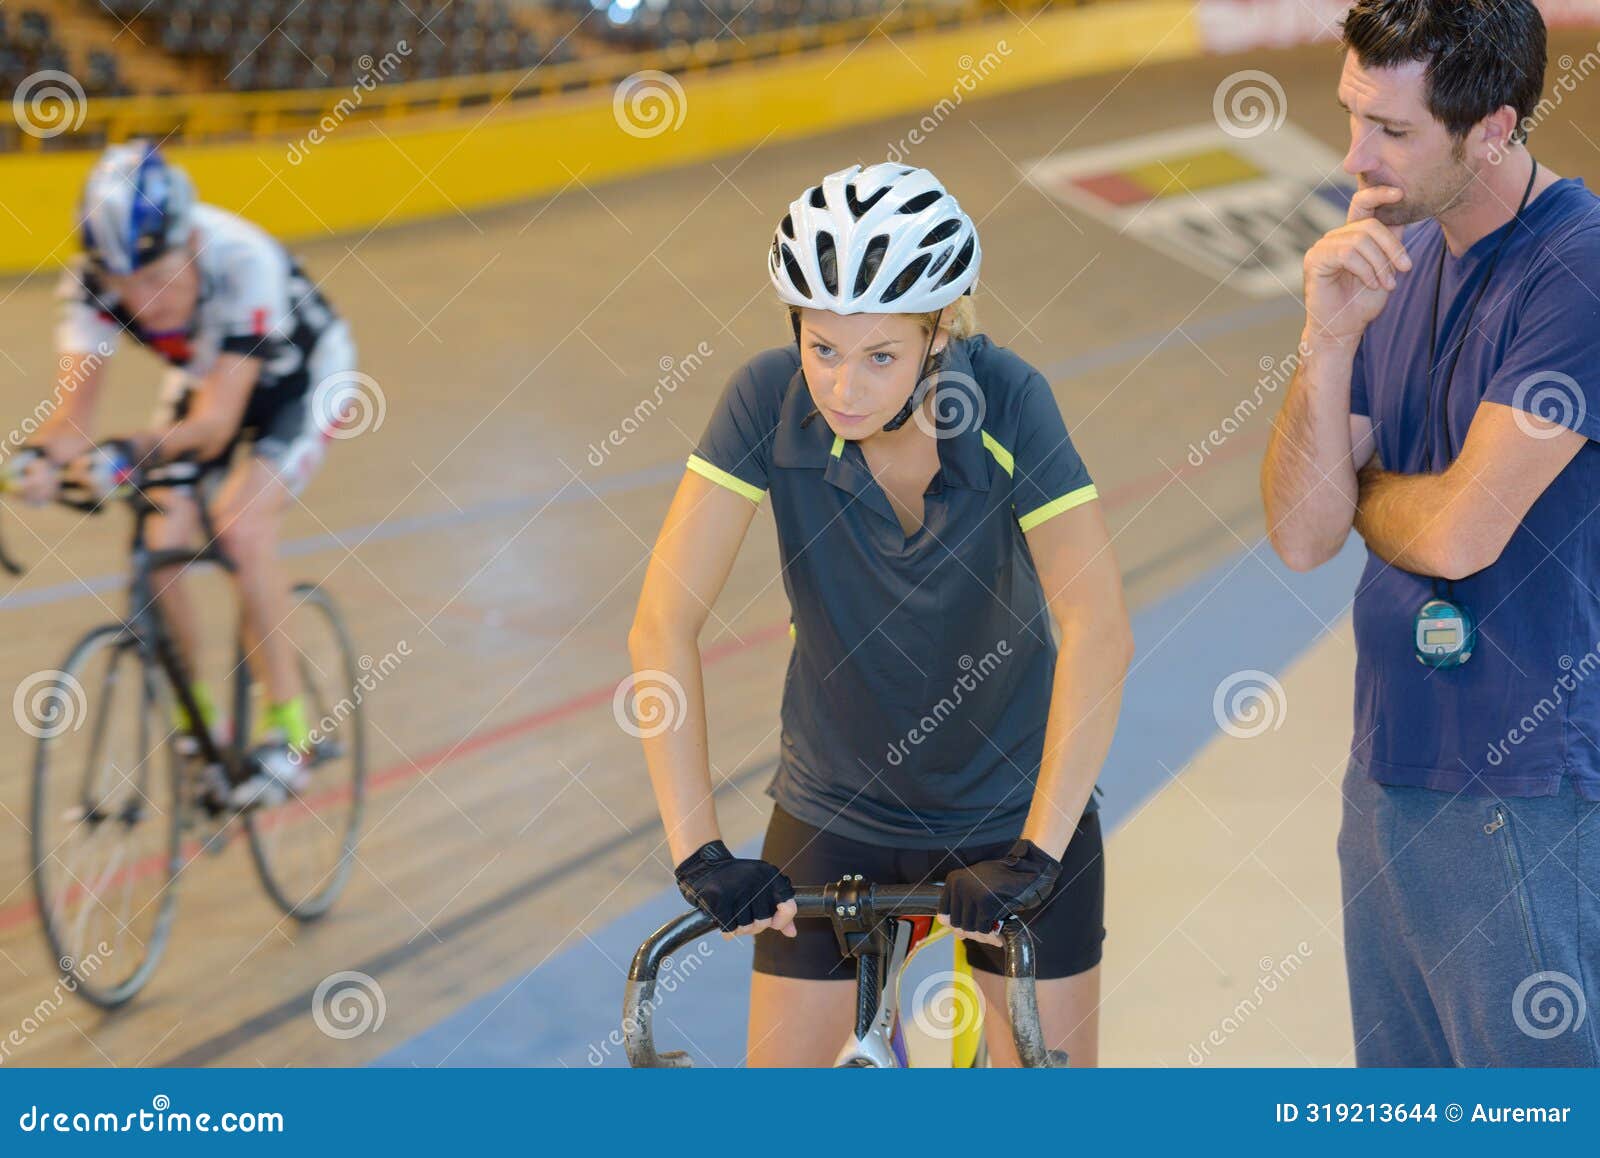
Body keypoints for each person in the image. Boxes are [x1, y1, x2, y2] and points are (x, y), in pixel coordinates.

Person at [628, 162, 1132, 1066]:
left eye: (879, 356)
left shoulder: (1008, 400)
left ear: (940, 333)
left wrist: (1039, 853)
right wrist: (699, 851)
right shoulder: (766, 399)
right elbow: (662, 623)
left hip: (1014, 812)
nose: (844, 388)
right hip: (837, 808)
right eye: (822, 348)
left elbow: (1100, 626)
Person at [1263, 0, 1600, 1066]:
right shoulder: (1390, 260)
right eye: (1352, 117)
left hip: (1525, 786)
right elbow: (1300, 533)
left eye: (1393, 132)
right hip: (1392, 771)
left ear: (1493, 129)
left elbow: (1459, 534)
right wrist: (1322, 344)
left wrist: (1369, 488)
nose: (1355, 158)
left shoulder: (1577, 274)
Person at [11, 141, 358, 808]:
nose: (146, 300)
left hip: (303, 380)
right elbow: (71, 419)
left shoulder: (241, 260)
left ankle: (292, 736)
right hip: (207, 380)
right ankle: (201, 727)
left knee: (240, 523)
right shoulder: (90, 285)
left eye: (160, 276)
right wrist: (32, 462)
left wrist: (129, 452)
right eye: (126, 285)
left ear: (192, 240)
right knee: (161, 537)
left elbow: (217, 425)